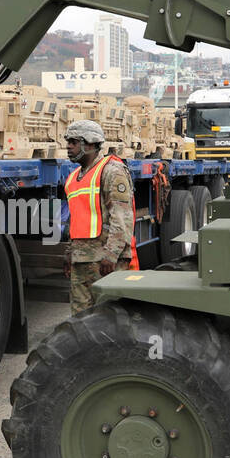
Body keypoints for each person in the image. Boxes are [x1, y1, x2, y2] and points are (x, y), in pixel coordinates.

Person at [63, 119, 138, 314]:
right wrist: (70, 253)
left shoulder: (112, 171)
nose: (68, 147)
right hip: (82, 259)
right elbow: (76, 220)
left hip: (104, 261)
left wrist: (111, 255)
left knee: (110, 317)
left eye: (73, 142)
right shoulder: (74, 178)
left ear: (90, 144)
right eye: (68, 142)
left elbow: (122, 217)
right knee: (80, 318)